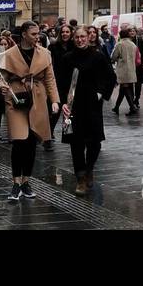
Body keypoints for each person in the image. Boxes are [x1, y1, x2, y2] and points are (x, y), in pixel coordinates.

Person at [0, 21, 59, 201]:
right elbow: (1, 77)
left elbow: (50, 79)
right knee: (19, 141)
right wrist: (2, 87)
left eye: (38, 33)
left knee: (32, 141)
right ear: (23, 34)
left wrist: (55, 101)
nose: (37, 36)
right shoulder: (9, 54)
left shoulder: (45, 54)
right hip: (16, 99)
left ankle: (26, 181)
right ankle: (15, 183)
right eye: (33, 33)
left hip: (37, 99)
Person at [59, 26, 116, 196]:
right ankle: (81, 178)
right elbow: (61, 81)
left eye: (83, 37)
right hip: (73, 106)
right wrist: (62, 102)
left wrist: (101, 94)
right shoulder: (67, 58)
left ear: (89, 37)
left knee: (94, 142)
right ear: (73, 39)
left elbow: (110, 77)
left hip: (92, 105)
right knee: (76, 144)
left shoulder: (98, 56)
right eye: (77, 37)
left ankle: (89, 168)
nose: (80, 40)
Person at [47, 24, 77, 141]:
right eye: (63, 32)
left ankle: (67, 131)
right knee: (55, 110)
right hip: (57, 82)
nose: (65, 34)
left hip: (70, 83)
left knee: (68, 109)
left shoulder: (74, 46)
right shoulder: (53, 47)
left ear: (71, 34)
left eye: (67, 32)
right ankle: (49, 133)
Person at [111, 28, 140, 115]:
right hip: (131, 69)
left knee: (125, 88)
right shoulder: (133, 44)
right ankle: (116, 107)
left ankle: (132, 107)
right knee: (123, 89)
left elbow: (114, 57)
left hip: (123, 70)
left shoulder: (120, 44)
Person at [132, 26, 143, 109]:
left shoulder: (139, 40)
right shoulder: (126, 40)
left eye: (133, 31)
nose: (132, 33)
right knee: (130, 83)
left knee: (138, 83)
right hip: (129, 64)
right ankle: (131, 100)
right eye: (130, 31)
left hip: (138, 64)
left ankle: (136, 99)